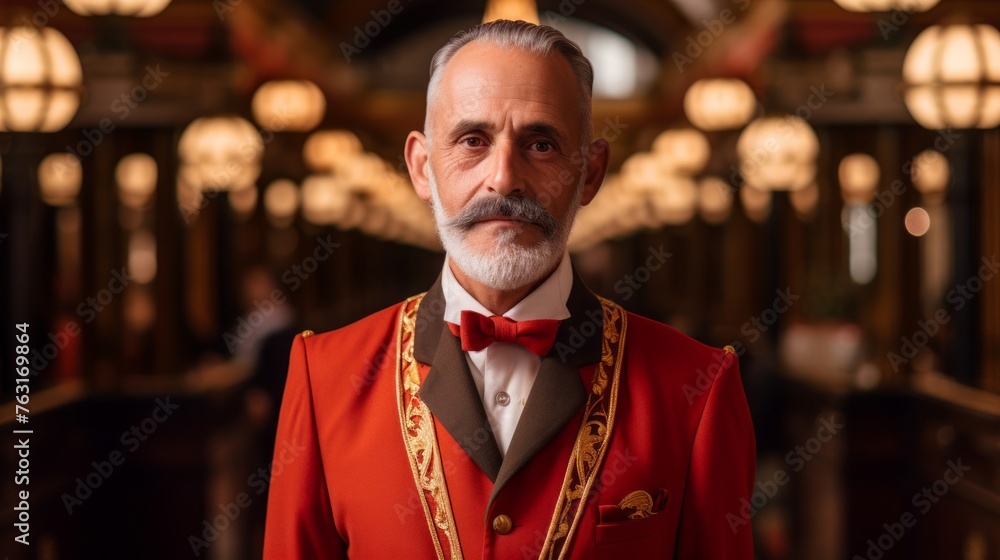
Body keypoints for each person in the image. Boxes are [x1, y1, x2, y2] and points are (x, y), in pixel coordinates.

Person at [264, 19, 756, 559]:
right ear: (422, 167)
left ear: (590, 172)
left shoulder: (696, 387)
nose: (504, 178)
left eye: (540, 144)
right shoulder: (325, 377)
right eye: (473, 141)